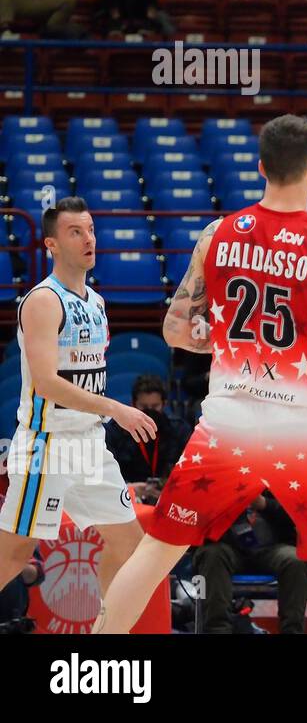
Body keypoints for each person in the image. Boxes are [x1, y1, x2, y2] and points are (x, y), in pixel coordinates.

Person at [95, 114, 307, 635]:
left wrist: (224, 337)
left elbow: (175, 330)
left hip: (229, 421)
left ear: (260, 167)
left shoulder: (218, 235)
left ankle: (97, 652)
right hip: (302, 428)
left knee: (160, 550)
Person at [0, 198, 157, 605]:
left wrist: (104, 413)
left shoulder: (97, 302)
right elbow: (48, 384)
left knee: (130, 544)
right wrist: (115, 408)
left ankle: (107, 638)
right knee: (14, 556)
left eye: (90, 230)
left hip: (89, 443)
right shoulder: (42, 300)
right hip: (47, 444)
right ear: (51, 244)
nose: (88, 239)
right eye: (75, 232)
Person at [193, 490, 307, 634]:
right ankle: (218, 630)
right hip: (229, 546)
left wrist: (266, 504)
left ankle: (292, 631)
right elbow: (199, 516)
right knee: (211, 554)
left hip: (272, 548)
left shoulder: (285, 476)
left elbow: (301, 516)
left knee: (295, 559)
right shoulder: (218, 474)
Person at [105, 373, 191, 505]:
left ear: (164, 404)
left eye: (155, 406)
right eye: (144, 407)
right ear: (133, 404)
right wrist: (130, 488)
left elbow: (188, 471)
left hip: (170, 496)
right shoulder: (114, 431)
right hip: (125, 497)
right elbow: (107, 474)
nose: (150, 412)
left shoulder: (179, 429)